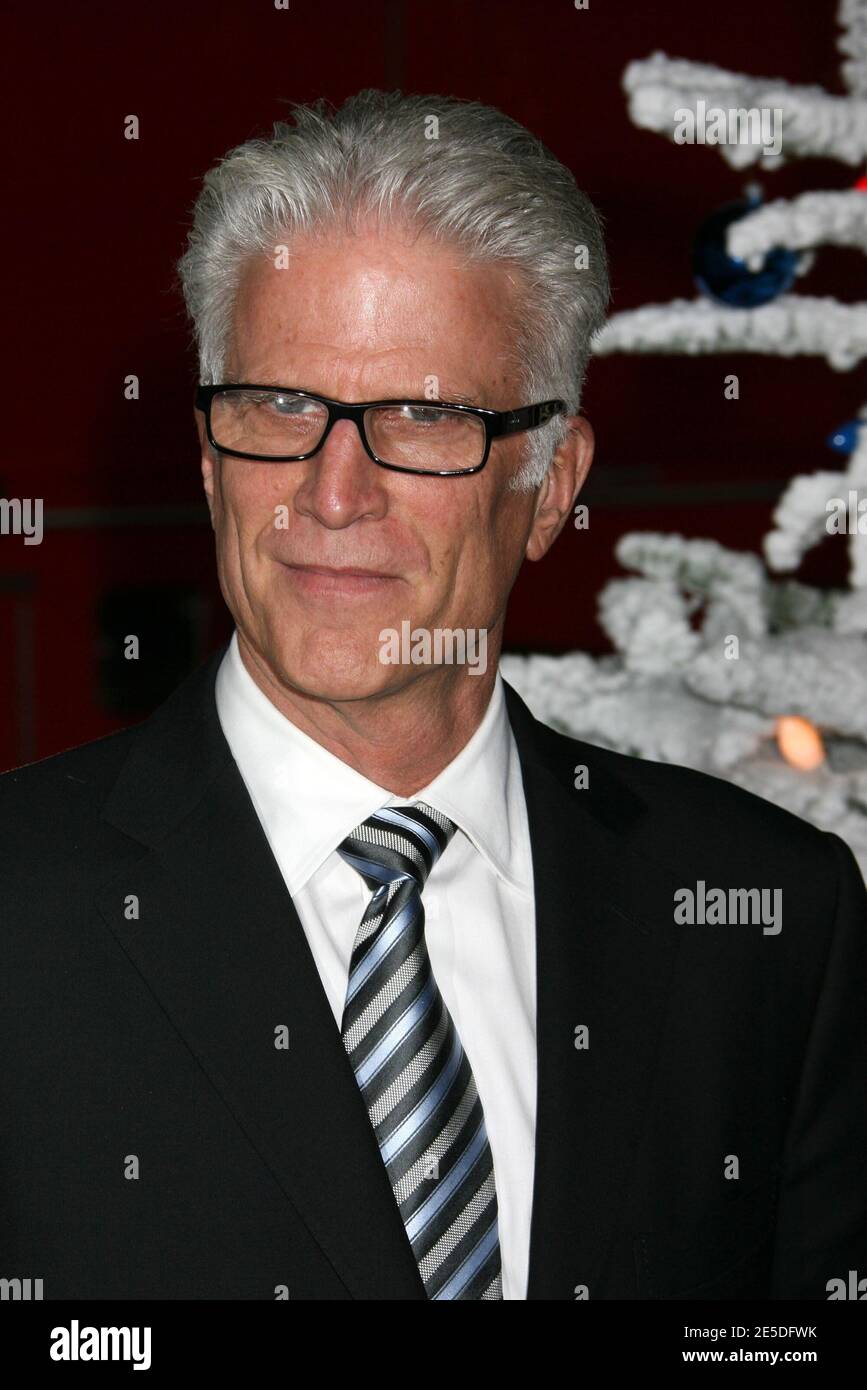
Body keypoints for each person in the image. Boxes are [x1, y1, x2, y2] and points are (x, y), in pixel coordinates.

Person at [2, 90, 865, 1302]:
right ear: (205, 457)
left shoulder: (771, 919)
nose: (334, 492)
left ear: (554, 480)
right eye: (280, 406)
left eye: (422, 417)